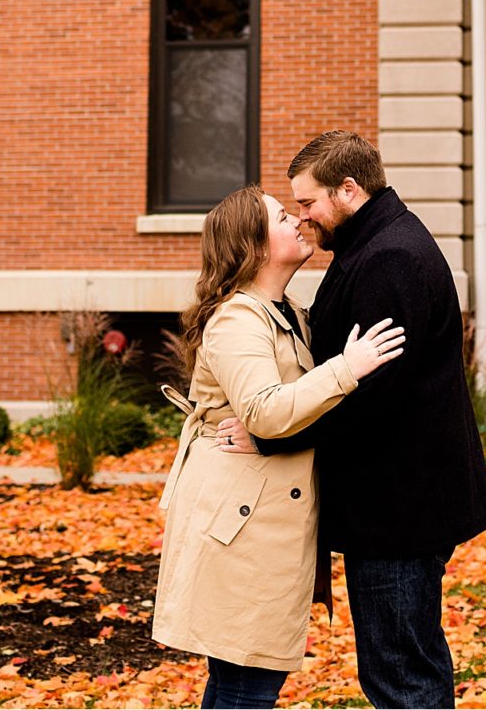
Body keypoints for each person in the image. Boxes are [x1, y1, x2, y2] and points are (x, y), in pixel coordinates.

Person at [226, 131, 486, 708]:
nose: (304, 219)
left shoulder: (391, 258)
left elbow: (373, 397)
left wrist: (270, 437)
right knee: (403, 666)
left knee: (401, 676)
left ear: (348, 190)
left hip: (400, 508)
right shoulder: (375, 246)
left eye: (308, 203)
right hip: (398, 503)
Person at [152, 184, 407, 709]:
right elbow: (266, 409)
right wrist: (348, 368)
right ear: (254, 245)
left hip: (255, 519)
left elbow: (276, 413)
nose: (297, 220)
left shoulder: (286, 311)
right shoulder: (238, 319)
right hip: (241, 529)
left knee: (238, 681)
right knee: (247, 684)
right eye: (279, 216)